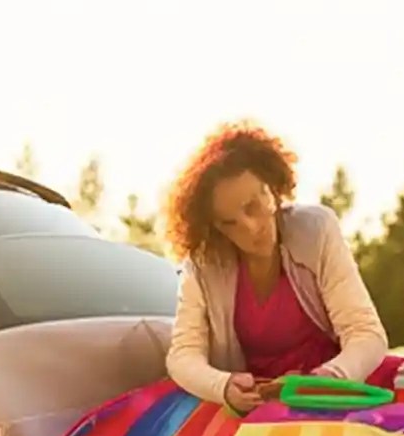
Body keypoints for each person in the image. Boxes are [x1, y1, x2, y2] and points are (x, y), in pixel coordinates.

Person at [164, 121, 390, 412]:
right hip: (256, 404)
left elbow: (366, 334)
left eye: (252, 205)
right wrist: (223, 386)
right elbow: (182, 357)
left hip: (333, 391)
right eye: (229, 222)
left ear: (273, 189)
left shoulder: (316, 230)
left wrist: (325, 380)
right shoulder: (204, 264)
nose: (249, 227)